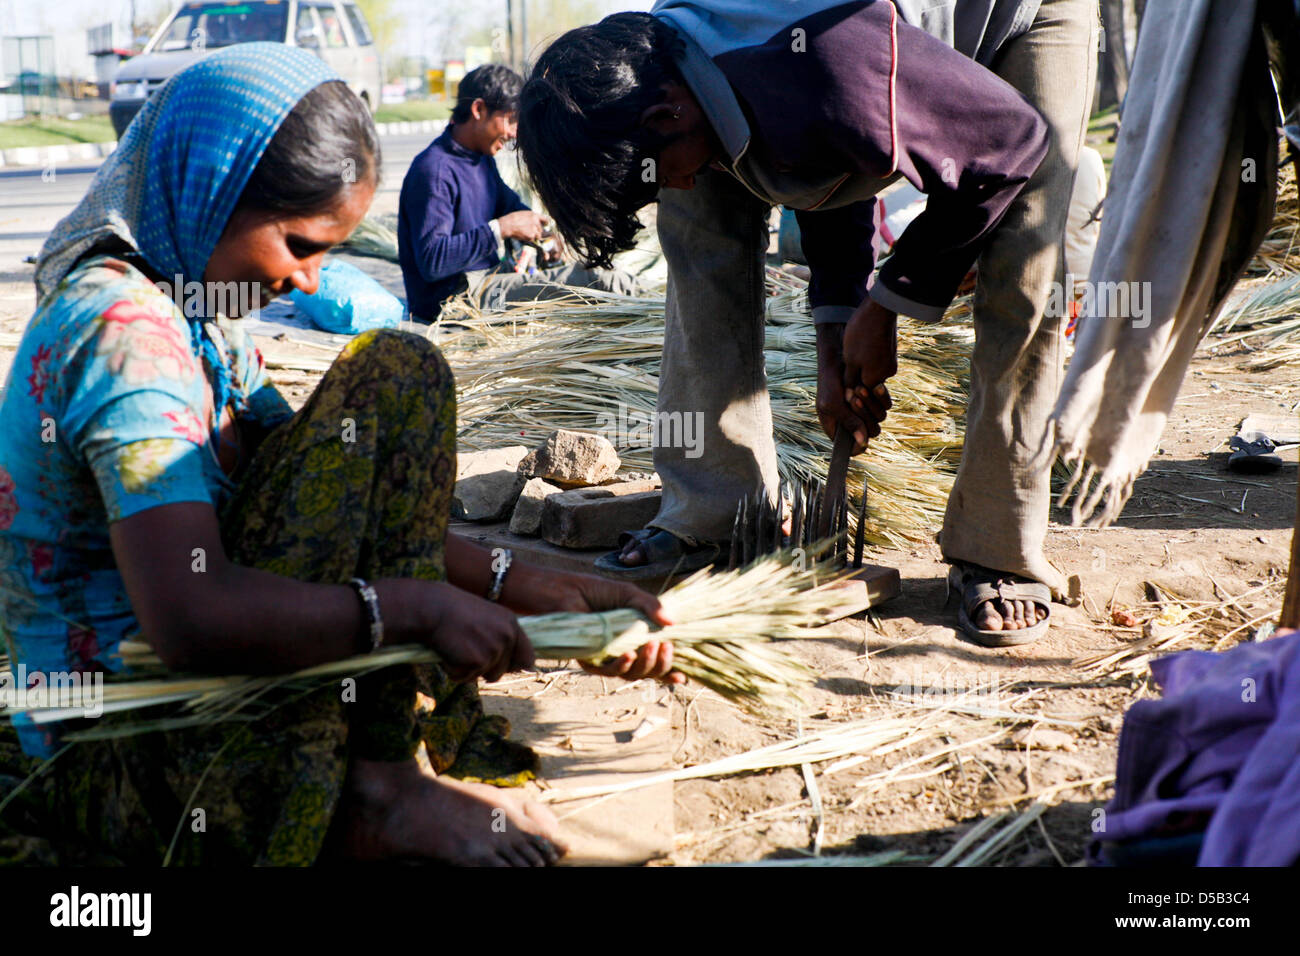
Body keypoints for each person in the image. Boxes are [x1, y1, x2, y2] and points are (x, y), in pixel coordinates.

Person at [0, 43, 679, 867]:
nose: (312, 283)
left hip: (200, 710)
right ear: (214, 192)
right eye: (297, 244)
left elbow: (333, 500)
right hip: (131, 754)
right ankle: (378, 787)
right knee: (399, 371)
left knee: (396, 382)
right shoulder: (125, 336)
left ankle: (378, 775)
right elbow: (189, 617)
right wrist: (414, 610)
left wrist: (527, 587)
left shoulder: (197, 317)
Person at [518, 0, 1098, 646]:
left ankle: (998, 541)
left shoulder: (828, 64)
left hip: (1018, 14)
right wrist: (835, 333)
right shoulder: (677, 47)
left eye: (656, 178)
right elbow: (830, 165)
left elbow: (1008, 141)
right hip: (840, 63)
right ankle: (715, 508)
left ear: (664, 114)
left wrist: (887, 304)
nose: (669, 188)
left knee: (1026, 252)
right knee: (697, 208)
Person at [397, 64, 638, 321]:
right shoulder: (435, 171)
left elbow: (511, 206)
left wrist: (545, 236)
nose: (514, 133)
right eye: (511, 120)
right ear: (479, 110)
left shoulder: (480, 159)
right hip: (457, 301)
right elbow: (433, 261)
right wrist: (501, 229)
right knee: (596, 281)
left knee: (592, 272)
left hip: (488, 284)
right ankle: (654, 311)